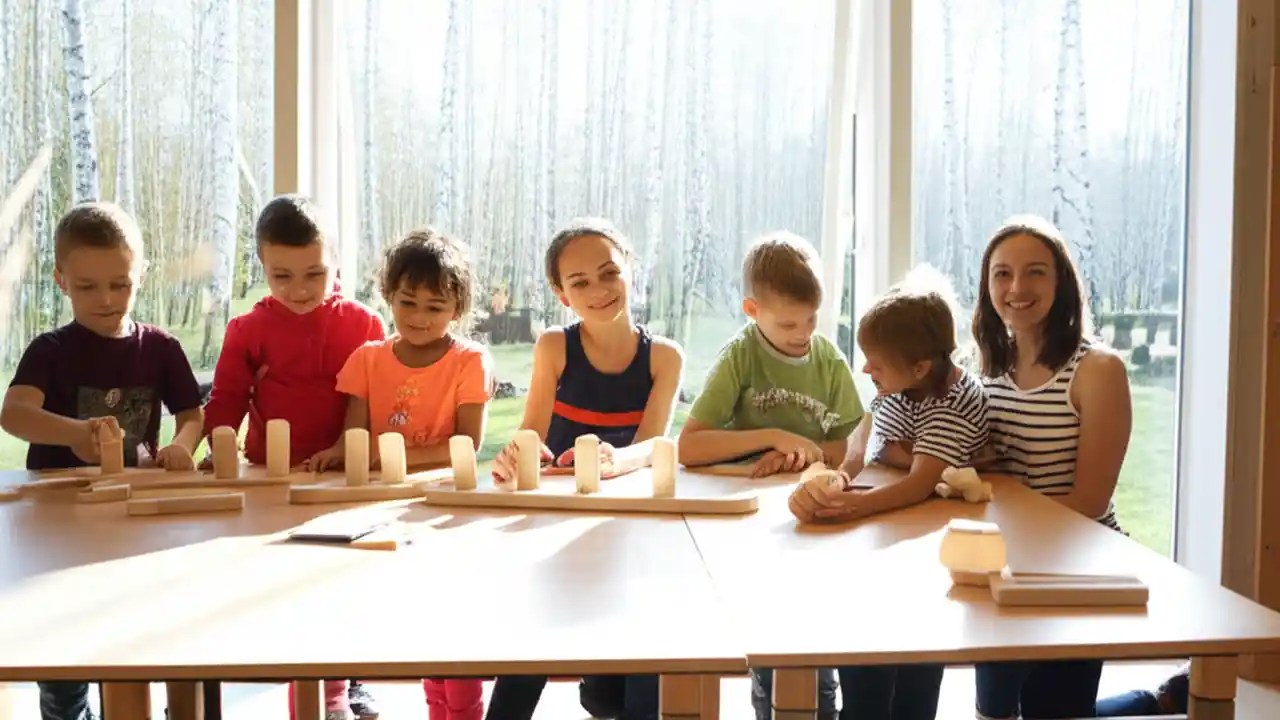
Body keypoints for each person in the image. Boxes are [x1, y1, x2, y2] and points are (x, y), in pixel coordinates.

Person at [0, 202, 205, 720]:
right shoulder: (50, 349)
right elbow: (14, 413)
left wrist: (182, 444)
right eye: (88, 287)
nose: (107, 299)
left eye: (121, 283)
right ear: (61, 280)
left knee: (138, 626)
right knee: (61, 638)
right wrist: (74, 434)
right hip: (58, 519)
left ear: (142, 274)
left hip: (134, 515)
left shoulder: (160, 347)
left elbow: (190, 413)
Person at [486, 218, 684, 720]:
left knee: (623, 681)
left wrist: (617, 461)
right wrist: (516, 454)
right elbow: (530, 430)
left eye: (608, 273)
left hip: (626, 528)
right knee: (528, 650)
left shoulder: (665, 357)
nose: (597, 290)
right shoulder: (555, 345)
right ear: (561, 293)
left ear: (630, 271)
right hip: (554, 522)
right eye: (579, 283)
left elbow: (655, 445)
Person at [202, 195, 385, 720]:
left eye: (315, 273)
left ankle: (351, 682)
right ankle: (304, 683)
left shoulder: (365, 324)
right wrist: (214, 447)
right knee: (285, 584)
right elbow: (228, 398)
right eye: (282, 275)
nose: (300, 290)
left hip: (346, 477)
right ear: (260, 265)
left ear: (337, 263)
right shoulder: (247, 329)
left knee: (345, 581)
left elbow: (379, 393)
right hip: (269, 477)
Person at [679, 231, 864, 719]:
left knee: (815, 658)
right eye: (788, 323)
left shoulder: (828, 360)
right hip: (748, 523)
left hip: (810, 522)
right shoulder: (740, 355)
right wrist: (774, 437)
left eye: (812, 319)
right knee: (769, 656)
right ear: (751, 310)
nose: (803, 333)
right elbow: (691, 446)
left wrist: (804, 456)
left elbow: (842, 447)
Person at [788, 266, 985, 720]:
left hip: (923, 545)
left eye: (875, 362)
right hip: (885, 538)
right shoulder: (904, 383)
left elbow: (920, 481)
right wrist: (845, 472)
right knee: (864, 652)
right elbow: (868, 428)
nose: (865, 369)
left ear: (919, 366)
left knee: (916, 666)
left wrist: (854, 504)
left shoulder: (952, 399)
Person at [314, 227, 493, 720]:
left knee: (449, 623)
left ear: (457, 308)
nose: (418, 318)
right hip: (373, 511)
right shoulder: (367, 359)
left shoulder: (470, 361)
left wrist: (380, 455)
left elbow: (466, 445)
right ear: (388, 297)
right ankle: (330, 704)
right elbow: (355, 441)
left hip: (440, 512)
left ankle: (456, 715)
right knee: (337, 601)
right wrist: (342, 452)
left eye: (434, 307)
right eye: (407, 303)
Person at [969, 214, 1133, 720]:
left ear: (1061, 282)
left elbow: (1089, 503)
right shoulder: (984, 367)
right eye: (1002, 273)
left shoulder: (1098, 370)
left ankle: (1154, 699)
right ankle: (1157, 698)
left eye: (1035, 272)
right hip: (1005, 561)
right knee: (994, 711)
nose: (1017, 287)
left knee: (1055, 712)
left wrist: (993, 513)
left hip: (1077, 563)